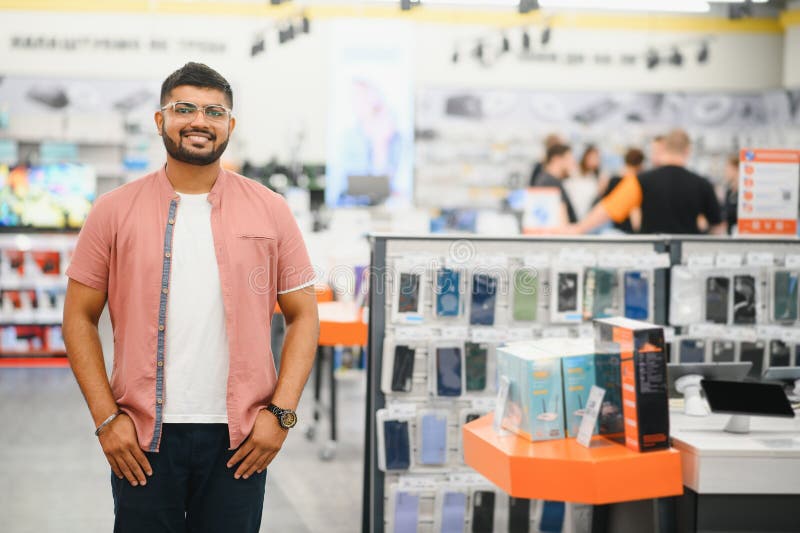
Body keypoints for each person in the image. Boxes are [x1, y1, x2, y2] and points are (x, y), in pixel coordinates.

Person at [62, 62, 320, 532]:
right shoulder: (113, 211)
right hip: (141, 439)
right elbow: (78, 316)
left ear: (230, 126)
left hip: (240, 439)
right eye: (185, 109)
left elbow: (304, 316)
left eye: (214, 112)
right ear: (160, 119)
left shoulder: (271, 210)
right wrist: (106, 420)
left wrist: (280, 416)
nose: (200, 121)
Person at [567, 129, 724, 235]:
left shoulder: (641, 180)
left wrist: (578, 229)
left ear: (664, 148)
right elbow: (718, 227)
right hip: (687, 258)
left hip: (652, 256)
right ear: (688, 150)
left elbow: (608, 209)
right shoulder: (702, 184)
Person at [599, 147, 645, 233]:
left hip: (610, 228)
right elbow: (636, 216)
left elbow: (604, 204)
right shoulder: (637, 183)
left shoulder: (613, 180)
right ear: (640, 165)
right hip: (627, 231)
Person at [533, 143, 578, 224]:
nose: (573, 162)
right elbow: (562, 222)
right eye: (568, 158)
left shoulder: (548, 180)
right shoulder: (549, 183)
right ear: (556, 159)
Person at [564, 144, 606, 220]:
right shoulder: (574, 172)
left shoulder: (598, 177)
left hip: (588, 215)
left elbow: (596, 199)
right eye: (592, 157)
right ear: (586, 157)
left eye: (597, 157)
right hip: (573, 212)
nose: (595, 160)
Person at [722, 153, 740, 234]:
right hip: (730, 235)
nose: (726, 171)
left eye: (728, 168)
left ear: (736, 169)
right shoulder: (729, 191)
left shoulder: (745, 194)